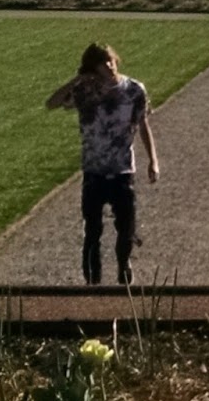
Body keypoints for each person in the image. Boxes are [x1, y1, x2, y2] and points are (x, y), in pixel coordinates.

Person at [46, 43, 160, 284]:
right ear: (92, 68)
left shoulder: (134, 90)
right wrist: (76, 80)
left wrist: (153, 160)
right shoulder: (85, 91)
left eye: (110, 60)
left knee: (126, 227)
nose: (109, 66)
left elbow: (143, 125)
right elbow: (52, 103)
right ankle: (92, 281)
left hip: (123, 170)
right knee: (92, 231)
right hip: (93, 170)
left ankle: (123, 266)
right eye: (101, 63)